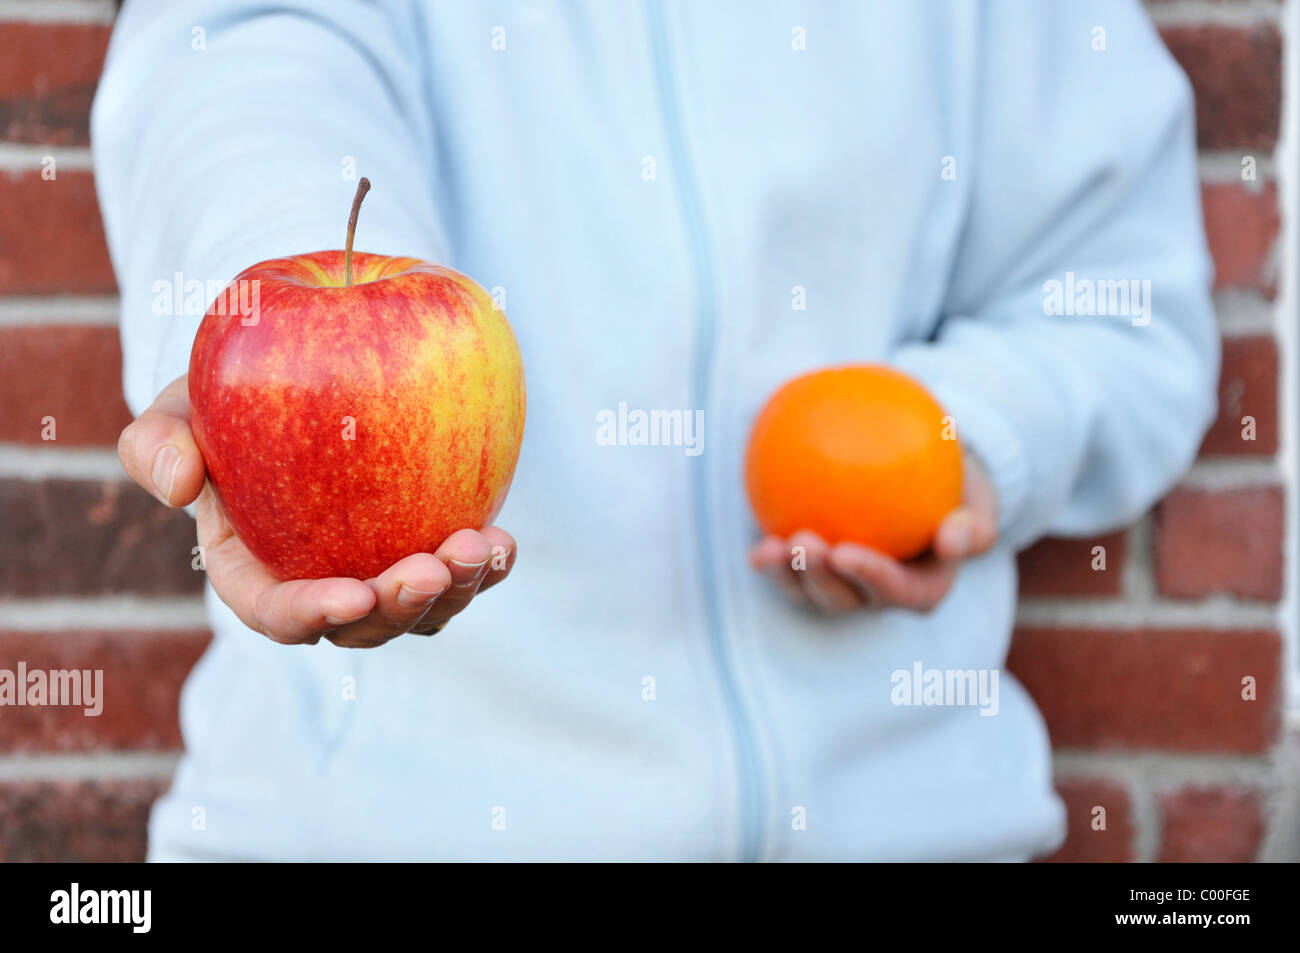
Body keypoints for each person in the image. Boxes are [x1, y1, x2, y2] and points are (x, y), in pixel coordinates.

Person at [93, 0, 1218, 861]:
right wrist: (284, 305)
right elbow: (248, 66)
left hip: (907, 829)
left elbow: (1124, 300)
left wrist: (965, 440)